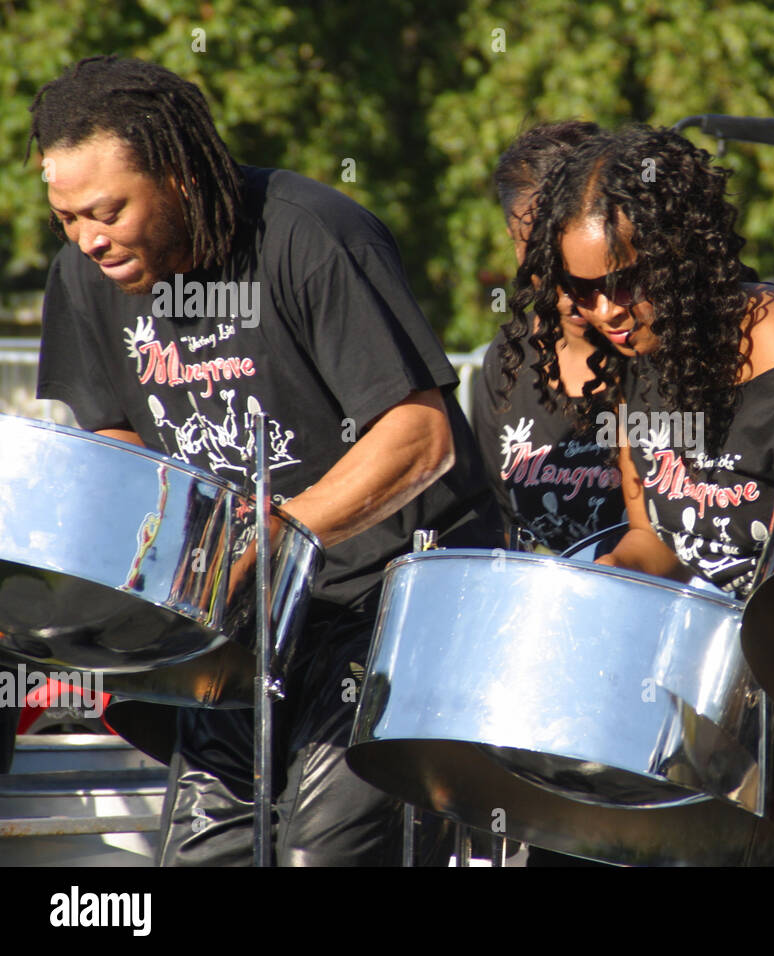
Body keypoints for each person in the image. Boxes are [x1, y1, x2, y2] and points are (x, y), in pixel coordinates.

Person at [29, 55, 501, 865]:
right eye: (67, 217)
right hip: (235, 618)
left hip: (377, 608)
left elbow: (420, 434)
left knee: (327, 855)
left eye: (108, 210)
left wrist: (281, 529)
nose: (88, 238)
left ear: (176, 175)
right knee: (206, 856)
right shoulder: (81, 278)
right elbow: (116, 438)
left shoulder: (309, 234)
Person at [507, 124, 774, 595]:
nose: (606, 311)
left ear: (677, 256)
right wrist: (606, 574)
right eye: (583, 289)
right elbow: (653, 540)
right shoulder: (635, 352)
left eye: (624, 282)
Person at [474, 121, 626, 554]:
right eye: (538, 253)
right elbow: (503, 530)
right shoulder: (506, 363)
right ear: (512, 238)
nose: (564, 281)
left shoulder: (655, 354)